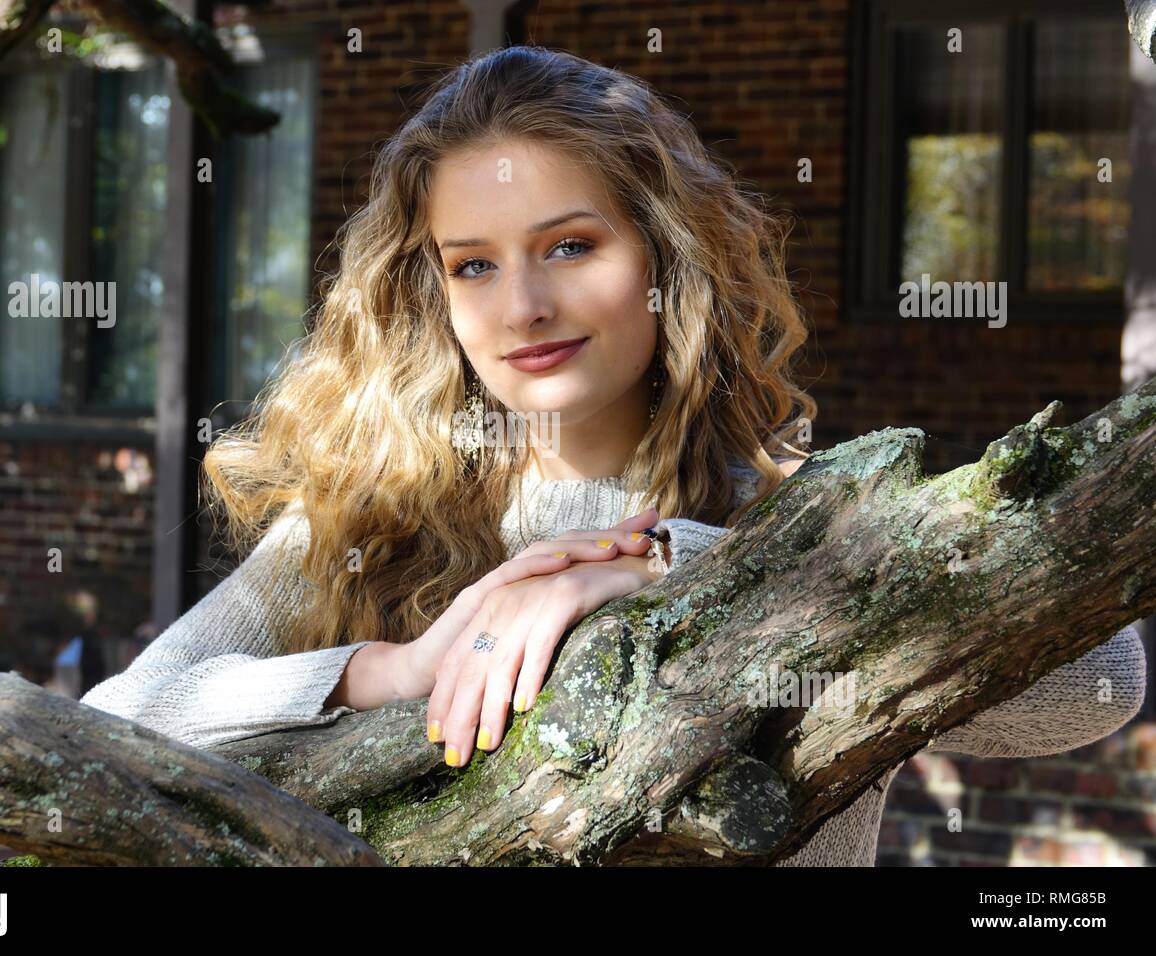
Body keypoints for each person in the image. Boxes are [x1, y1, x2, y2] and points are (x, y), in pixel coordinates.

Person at [81, 46, 1146, 866]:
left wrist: (675, 571)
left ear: (663, 255)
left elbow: (1098, 688)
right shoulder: (374, 518)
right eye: (473, 265)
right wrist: (390, 672)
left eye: (570, 245)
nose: (524, 305)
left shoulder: (791, 521)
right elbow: (109, 725)